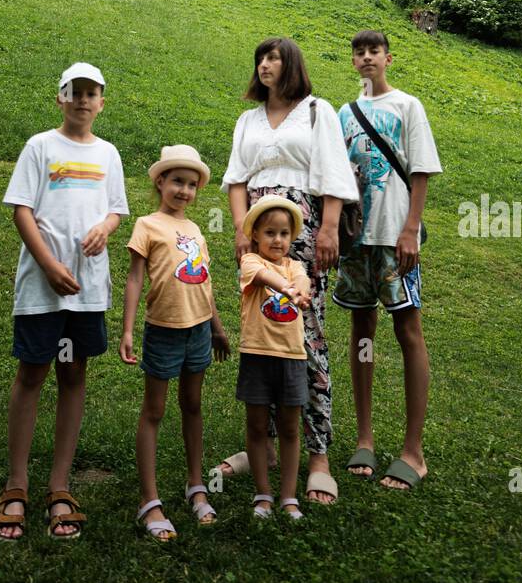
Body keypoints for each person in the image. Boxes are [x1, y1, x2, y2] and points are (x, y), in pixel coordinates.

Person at [0, 62, 129, 541]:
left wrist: (105, 229)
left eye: (93, 94)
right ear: (60, 98)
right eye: (76, 92)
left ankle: (59, 484)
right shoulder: (40, 146)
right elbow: (22, 211)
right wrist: (49, 265)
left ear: (102, 103)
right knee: (32, 374)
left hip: (87, 288)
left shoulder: (109, 153)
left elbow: (115, 209)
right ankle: (16, 484)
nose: (84, 101)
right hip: (41, 286)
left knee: (74, 374)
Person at [219, 37, 359, 505]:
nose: (264, 64)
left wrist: (329, 231)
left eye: (273, 57)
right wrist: (242, 230)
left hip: (302, 230)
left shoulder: (318, 111)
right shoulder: (247, 120)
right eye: (259, 57)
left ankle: (317, 455)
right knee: (262, 331)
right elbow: (237, 180)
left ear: (291, 64)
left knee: (305, 333)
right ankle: (268, 448)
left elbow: (334, 174)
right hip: (258, 236)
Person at [334, 30, 442, 490]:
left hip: (395, 236)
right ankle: (365, 437)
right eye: (359, 52)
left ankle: (413, 452)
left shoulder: (407, 106)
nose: (366, 58)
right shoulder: (343, 112)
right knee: (363, 332)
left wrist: (411, 228)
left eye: (373, 51)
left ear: (388, 58)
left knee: (408, 330)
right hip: (356, 240)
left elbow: (420, 170)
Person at [120, 145, 230, 541]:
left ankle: (196, 485)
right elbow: (135, 278)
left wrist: (217, 327)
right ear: (160, 182)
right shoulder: (147, 225)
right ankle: (149, 501)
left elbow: (205, 281)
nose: (184, 190)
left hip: (199, 330)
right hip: (163, 330)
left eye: (191, 184)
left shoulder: (196, 230)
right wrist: (129, 329)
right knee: (154, 411)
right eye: (177, 182)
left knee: (193, 406)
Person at [237, 197, 311, 520]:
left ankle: (288, 497)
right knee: (256, 425)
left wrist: (300, 287)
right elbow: (271, 280)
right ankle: (263, 494)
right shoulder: (251, 263)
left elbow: (302, 280)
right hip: (256, 354)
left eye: (283, 233)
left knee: (290, 429)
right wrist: (289, 289)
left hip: (292, 357)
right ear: (255, 235)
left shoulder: (296, 267)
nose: (277, 240)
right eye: (270, 233)